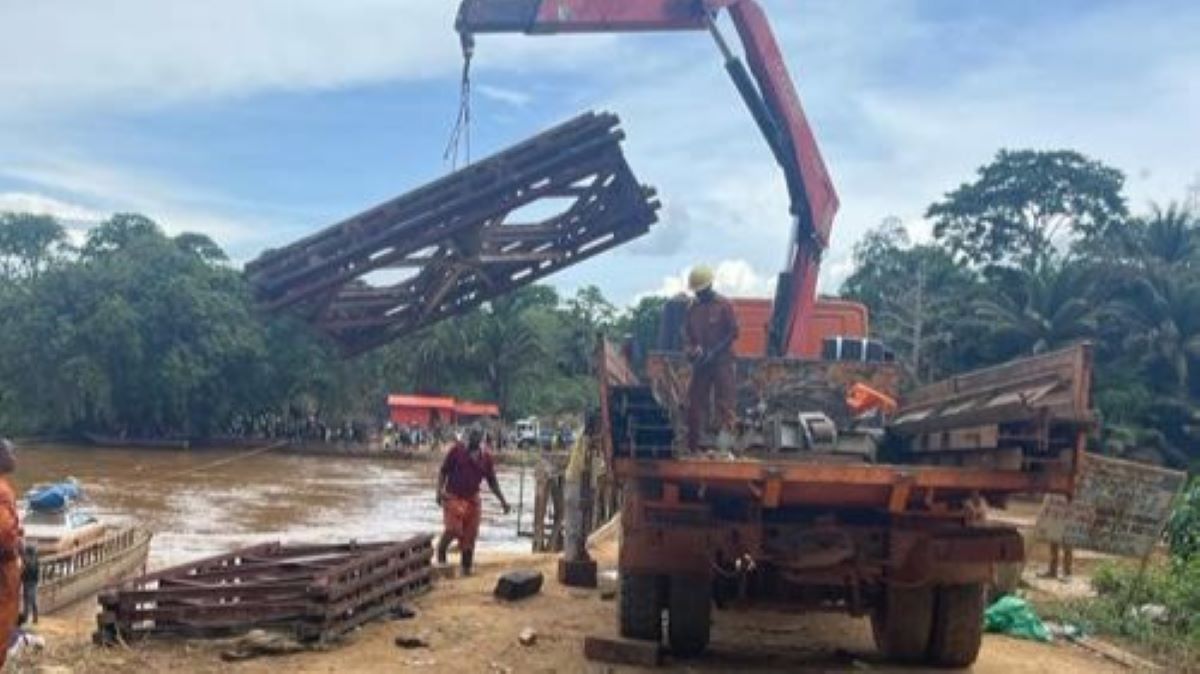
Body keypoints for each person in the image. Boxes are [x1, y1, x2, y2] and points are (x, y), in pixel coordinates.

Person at [436, 428, 510, 575]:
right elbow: (443, 471)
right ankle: (441, 554)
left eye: (477, 436)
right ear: (467, 438)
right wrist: (439, 491)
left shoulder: (486, 458)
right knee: (453, 529)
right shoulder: (456, 451)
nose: (473, 439)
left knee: (470, 535)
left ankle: (466, 568)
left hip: (472, 498)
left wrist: (503, 501)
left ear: (481, 439)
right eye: (471, 436)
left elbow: (492, 482)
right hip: (453, 496)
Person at [683, 265, 739, 453]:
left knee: (726, 402)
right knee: (695, 402)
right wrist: (694, 352)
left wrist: (714, 352)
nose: (699, 295)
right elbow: (689, 337)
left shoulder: (724, 305)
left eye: (702, 292)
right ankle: (695, 446)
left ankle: (726, 447)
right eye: (697, 292)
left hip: (722, 361)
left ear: (709, 287)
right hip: (702, 364)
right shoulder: (692, 309)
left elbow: (733, 333)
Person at [0, 440, 21, 669]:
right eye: (11, 452)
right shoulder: (2, 491)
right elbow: (4, 533)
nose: (15, 456)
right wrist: (17, 544)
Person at [18, 543, 36, 625]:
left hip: (30, 582)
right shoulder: (31, 560)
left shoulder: (31, 562)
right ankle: (28, 617)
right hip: (29, 582)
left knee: (29, 600)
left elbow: (29, 571)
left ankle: (30, 617)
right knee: (28, 600)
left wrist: (22, 574)